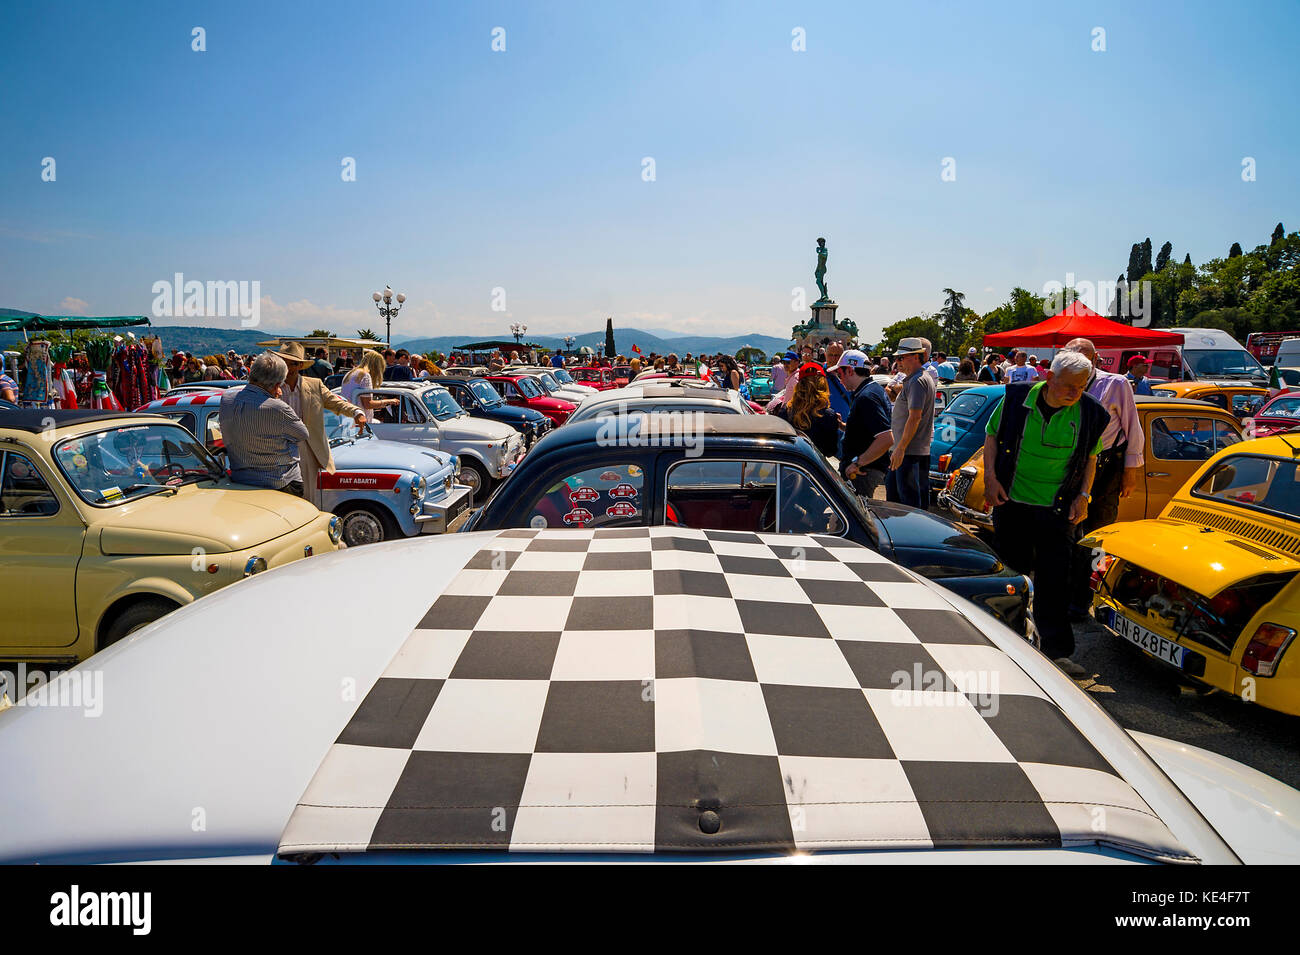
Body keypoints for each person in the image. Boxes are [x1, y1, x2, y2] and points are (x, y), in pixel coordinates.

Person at [983, 350, 1107, 676]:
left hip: (1058, 510)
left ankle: (1056, 654)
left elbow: (1091, 459)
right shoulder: (1015, 400)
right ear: (1048, 377)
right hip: (1012, 504)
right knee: (1012, 577)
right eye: (1068, 385)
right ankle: (1005, 643)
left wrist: (1084, 496)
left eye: (1081, 387)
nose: (1074, 393)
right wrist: (991, 478)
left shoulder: (1091, 413)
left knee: (1055, 581)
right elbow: (992, 436)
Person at [1061, 338, 1147, 619]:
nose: (1081, 364)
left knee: (1099, 536)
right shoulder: (1063, 383)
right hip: (1072, 467)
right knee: (1070, 533)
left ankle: (1089, 595)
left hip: (1107, 468)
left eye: (1086, 359)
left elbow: (1132, 429)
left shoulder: (1116, 384)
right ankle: (1069, 593)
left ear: (1096, 358)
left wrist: (1130, 471)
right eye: (1074, 358)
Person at [273, 342, 368, 505]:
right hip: (276, 448)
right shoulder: (270, 386)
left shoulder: (314, 385)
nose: (288, 368)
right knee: (279, 499)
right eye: (284, 363)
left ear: (301, 365)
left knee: (307, 497)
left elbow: (336, 403)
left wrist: (357, 413)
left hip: (306, 447)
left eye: (293, 363)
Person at [219, 353, 310, 496]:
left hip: (240, 481)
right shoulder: (278, 408)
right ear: (277, 384)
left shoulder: (227, 399)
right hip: (280, 482)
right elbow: (302, 433)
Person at [830, 349, 894, 498]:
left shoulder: (867, 397)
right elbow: (869, 432)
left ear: (850, 371)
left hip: (863, 473)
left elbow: (886, 438)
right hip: (865, 471)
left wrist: (857, 463)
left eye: (840, 374)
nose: (840, 380)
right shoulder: (873, 390)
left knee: (854, 518)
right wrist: (844, 426)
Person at [886, 337, 936, 508]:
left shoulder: (917, 381)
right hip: (908, 451)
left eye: (902, 357)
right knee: (898, 502)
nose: (897, 361)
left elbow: (915, 417)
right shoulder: (917, 379)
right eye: (897, 358)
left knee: (907, 506)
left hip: (909, 453)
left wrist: (901, 449)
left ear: (916, 356)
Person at [772, 364, 839, 458]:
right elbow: (830, 451)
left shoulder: (785, 412)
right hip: (813, 469)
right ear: (823, 385)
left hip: (790, 466)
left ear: (799, 385)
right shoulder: (828, 415)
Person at [340, 350, 401, 423]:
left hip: (348, 418)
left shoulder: (351, 373)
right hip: (360, 421)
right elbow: (368, 404)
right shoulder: (365, 375)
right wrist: (390, 401)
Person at [823, 341, 853, 422]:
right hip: (826, 426)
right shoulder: (819, 375)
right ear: (825, 355)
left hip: (847, 426)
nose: (833, 359)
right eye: (830, 355)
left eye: (837, 355)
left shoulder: (850, 374)